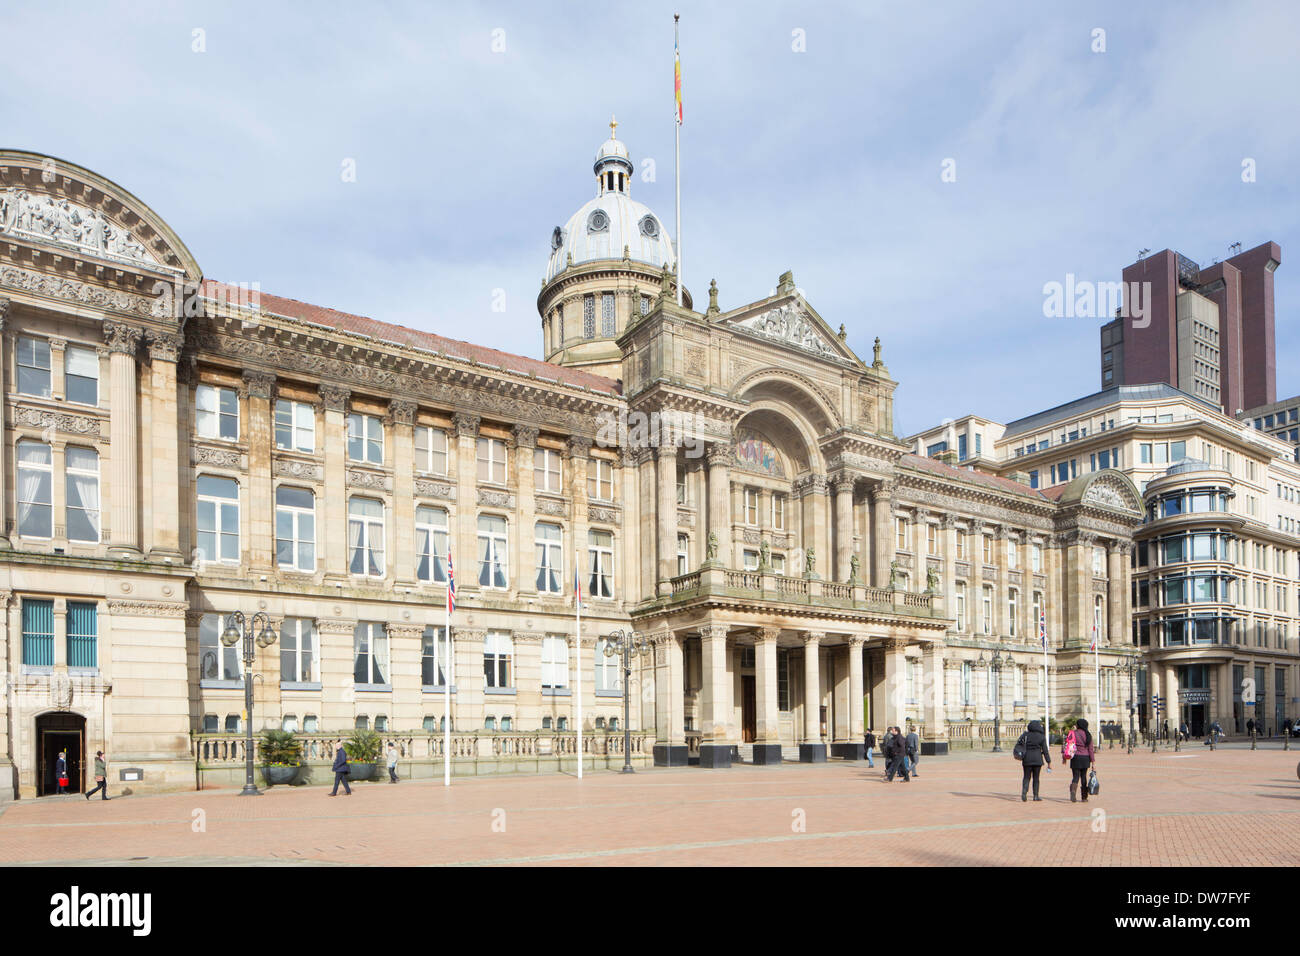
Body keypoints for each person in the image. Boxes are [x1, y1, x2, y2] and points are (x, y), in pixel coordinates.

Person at [1016, 720, 1051, 801]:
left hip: (1027, 758)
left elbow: (1019, 744)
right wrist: (1048, 761)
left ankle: (1024, 792)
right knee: (1036, 778)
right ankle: (1035, 796)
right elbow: (1045, 750)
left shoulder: (1025, 735)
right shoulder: (1041, 736)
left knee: (1026, 776)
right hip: (1037, 759)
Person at [1065, 718, 1096, 803]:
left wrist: (1064, 757)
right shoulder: (1088, 735)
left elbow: (1068, 744)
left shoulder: (1073, 733)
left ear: (1078, 725)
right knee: (1083, 777)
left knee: (1075, 776)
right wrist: (1093, 762)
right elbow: (1091, 749)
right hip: (1085, 758)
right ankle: (1084, 797)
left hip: (1075, 757)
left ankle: (1073, 792)